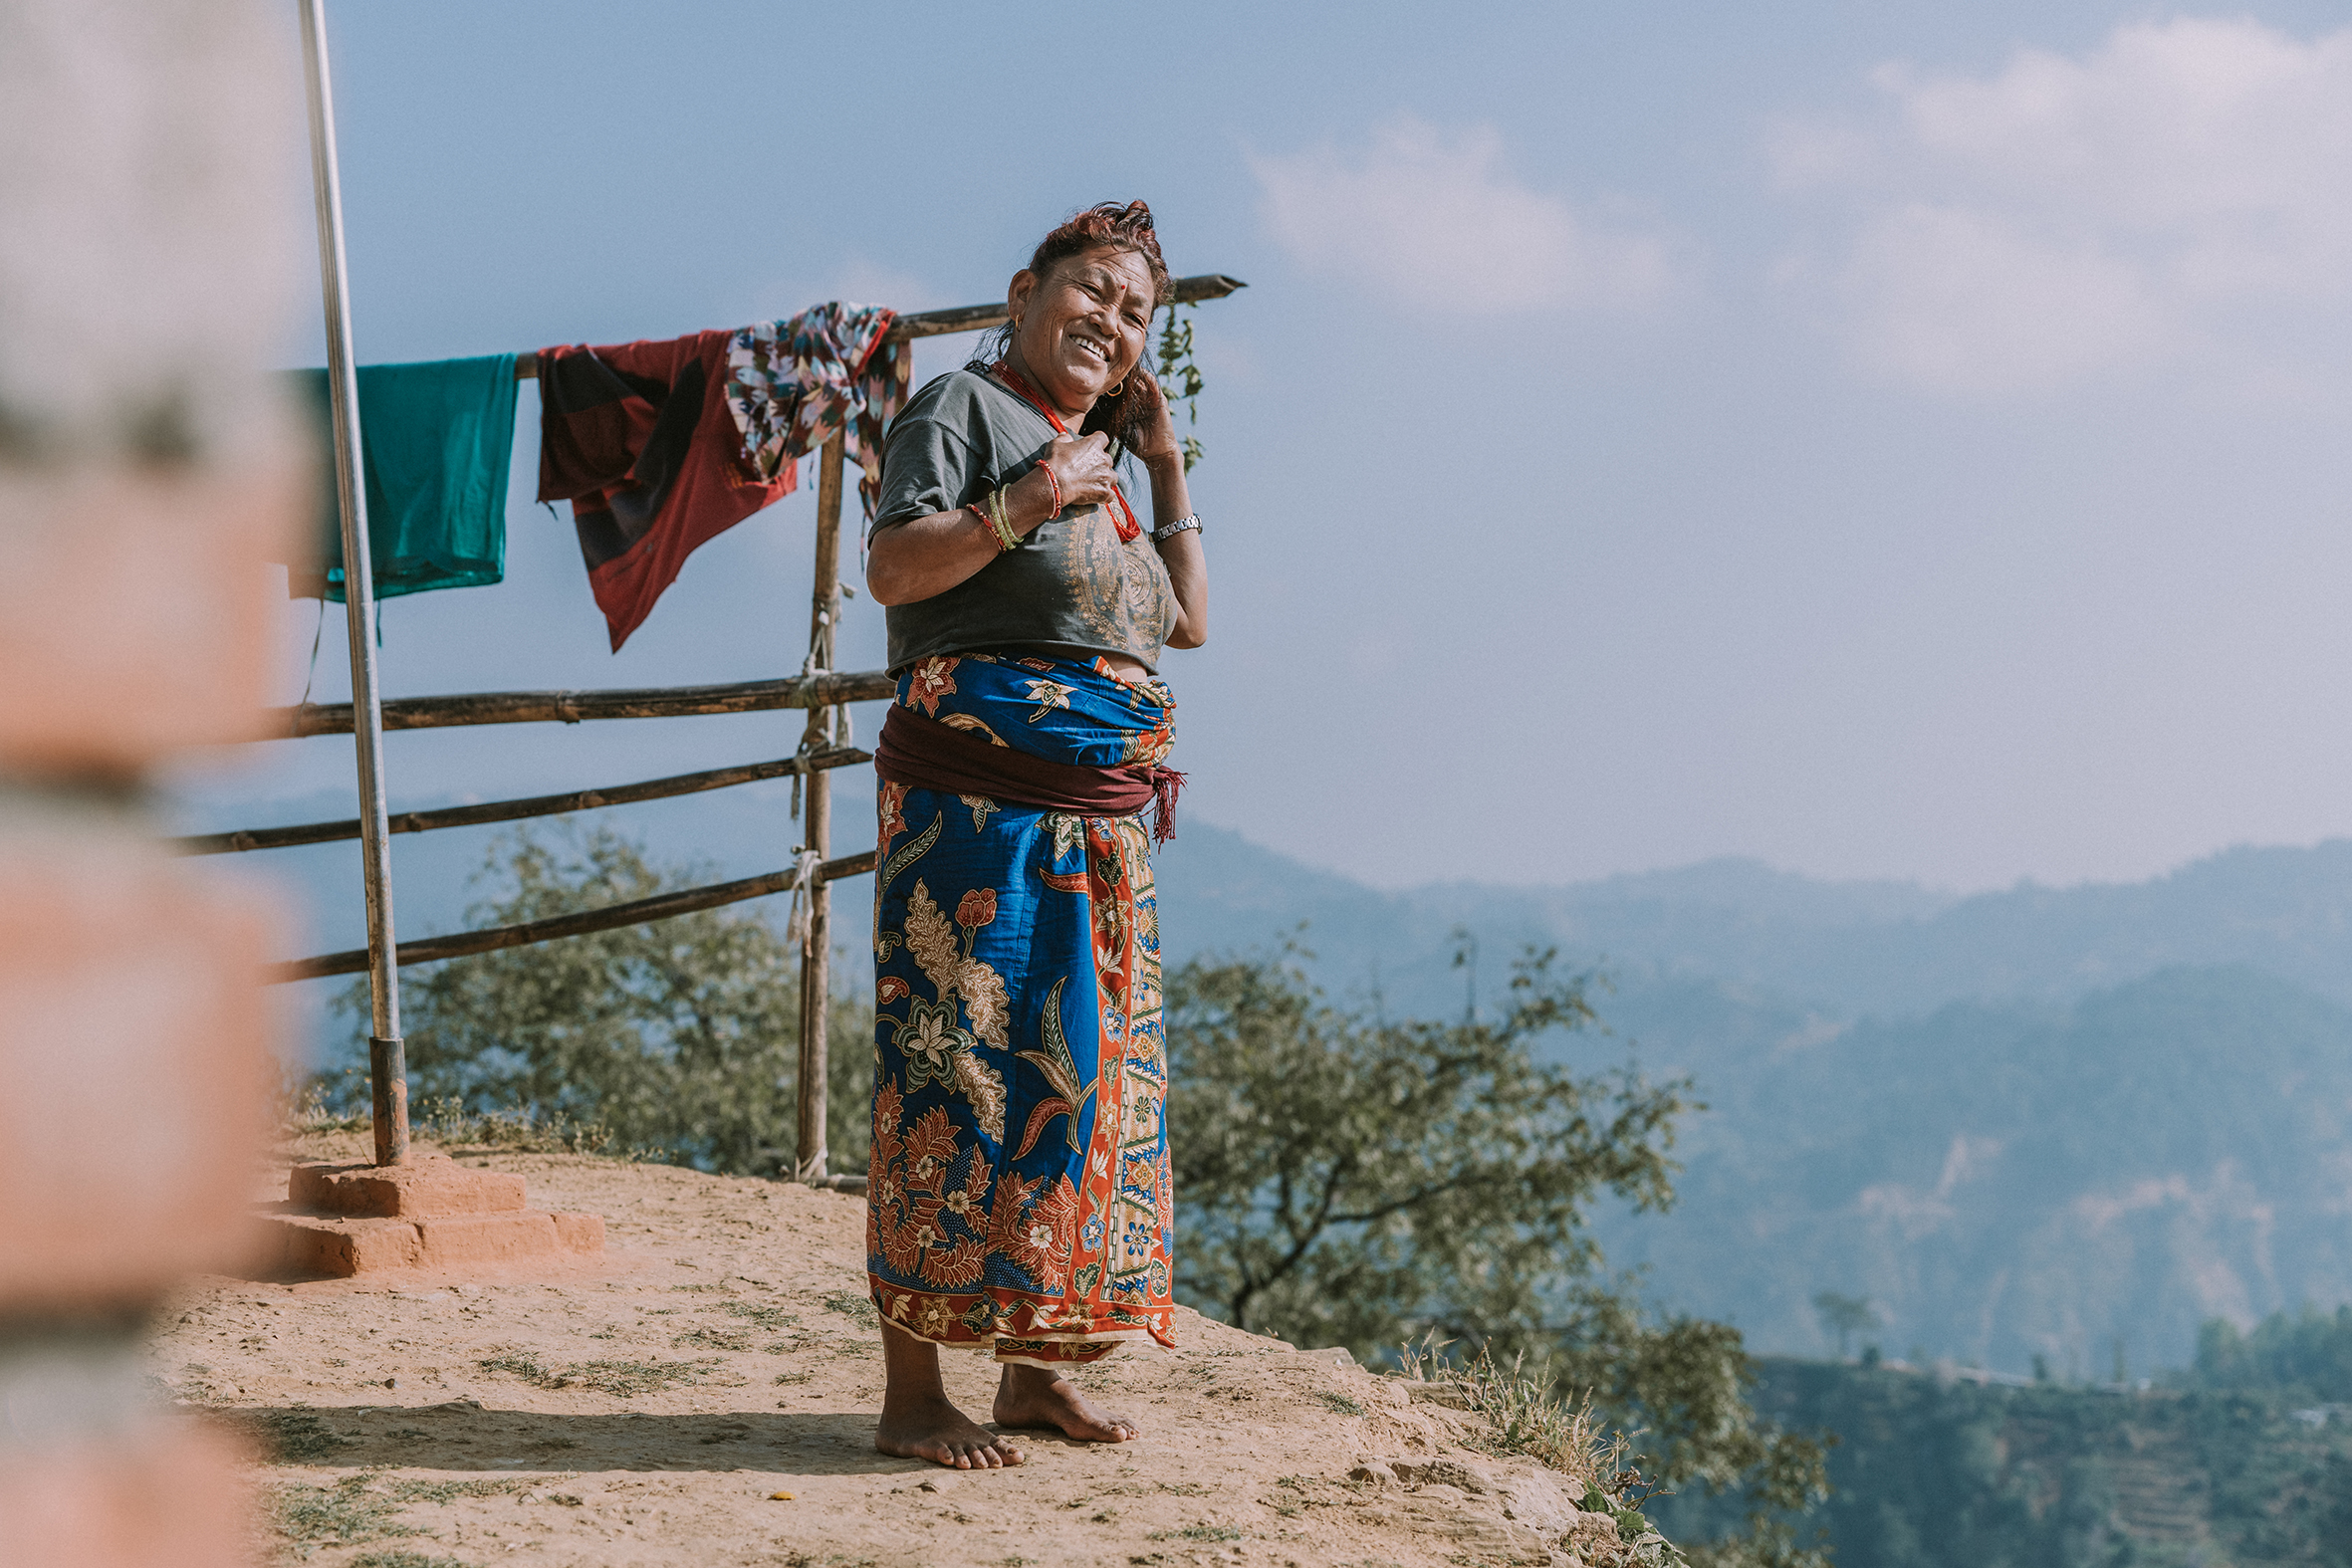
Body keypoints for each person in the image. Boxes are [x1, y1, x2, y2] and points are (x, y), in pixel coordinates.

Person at [860, 200, 1207, 1469]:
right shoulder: (964, 411)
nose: (1111, 326)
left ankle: (1033, 1375)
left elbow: (1189, 624)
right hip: (973, 810)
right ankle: (912, 1397)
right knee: (951, 1066)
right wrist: (1032, 496)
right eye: (1094, 294)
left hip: (1096, 829)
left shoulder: (1100, 457)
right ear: (1023, 292)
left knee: (1073, 1081)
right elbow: (895, 571)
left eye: (1134, 318)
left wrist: (1158, 462)